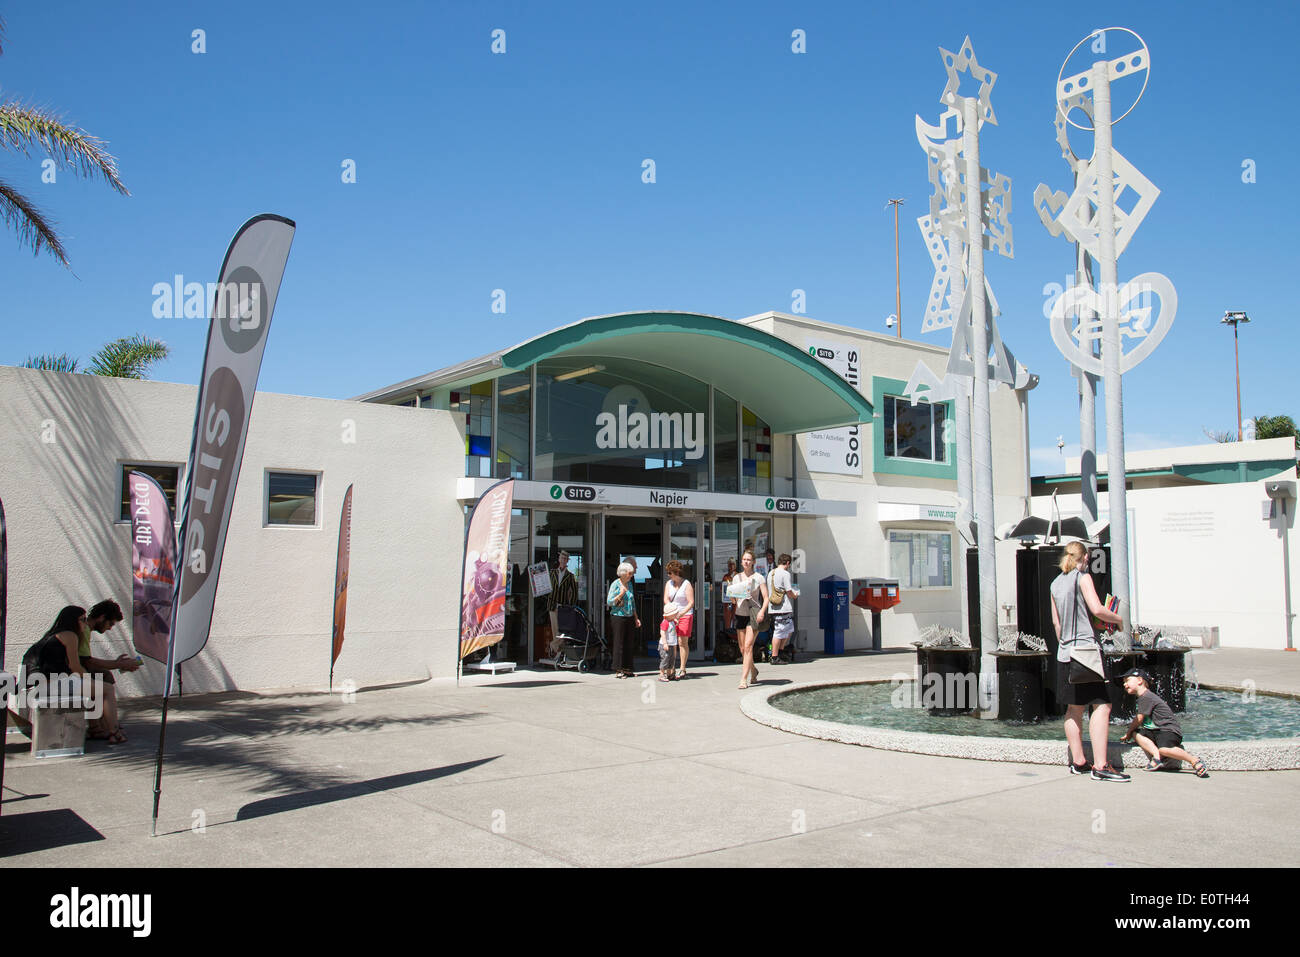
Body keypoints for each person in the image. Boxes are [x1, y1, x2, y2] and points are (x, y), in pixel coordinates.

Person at [1050, 541, 1127, 781]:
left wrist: (1065, 644)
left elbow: (1057, 624)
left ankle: (1079, 761)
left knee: (1073, 709)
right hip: (1086, 653)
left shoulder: (1055, 584)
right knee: (1102, 705)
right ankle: (1102, 766)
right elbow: (1097, 609)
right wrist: (1118, 619)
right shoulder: (1082, 578)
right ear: (1083, 559)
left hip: (1065, 653)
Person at [1120, 668, 1209, 777]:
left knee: (1164, 749)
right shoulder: (1143, 697)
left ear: (1139, 680)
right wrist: (1131, 732)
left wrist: (1128, 733)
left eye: (1127, 680)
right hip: (1156, 731)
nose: (1125, 684)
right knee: (1136, 733)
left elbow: (1139, 719)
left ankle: (1194, 761)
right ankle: (1156, 756)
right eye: (1124, 682)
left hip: (1168, 730)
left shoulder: (1146, 696)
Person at [80, 599, 141, 742]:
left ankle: (97, 727)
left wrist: (118, 664)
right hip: (64, 675)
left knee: (102, 675)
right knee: (103, 682)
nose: (110, 628)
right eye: (110, 624)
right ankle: (111, 730)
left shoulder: (85, 629)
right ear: (101, 617)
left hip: (69, 673)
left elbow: (86, 661)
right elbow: (88, 662)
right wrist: (118, 664)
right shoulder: (85, 630)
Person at [730, 549, 768, 689]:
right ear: (741, 561)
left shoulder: (758, 577)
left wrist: (762, 612)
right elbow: (734, 600)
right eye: (744, 559)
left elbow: (766, 598)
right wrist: (732, 595)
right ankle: (753, 670)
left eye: (749, 560)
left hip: (753, 613)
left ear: (753, 562)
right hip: (740, 614)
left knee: (748, 646)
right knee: (742, 649)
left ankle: (743, 679)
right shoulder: (736, 578)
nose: (746, 562)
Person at [607, 562, 641, 678]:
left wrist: (636, 618)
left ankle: (628, 668)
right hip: (618, 616)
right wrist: (620, 594)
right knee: (619, 643)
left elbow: (633, 602)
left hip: (629, 616)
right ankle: (618, 669)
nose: (631, 575)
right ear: (623, 573)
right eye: (629, 573)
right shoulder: (615, 584)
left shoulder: (630, 584)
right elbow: (609, 602)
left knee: (629, 643)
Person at [662, 559, 694, 679]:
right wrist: (671, 611)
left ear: (676, 572)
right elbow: (666, 599)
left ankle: (682, 668)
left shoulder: (686, 584)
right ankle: (671, 667)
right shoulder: (668, 584)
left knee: (682, 642)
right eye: (668, 573)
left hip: (685, 614)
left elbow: (691, 602)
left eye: (670, 573)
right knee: (672, 642)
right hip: (672, 615)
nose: (669, 575)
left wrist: (680, 613)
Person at [767, 553, 799, 664]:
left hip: (773, 607)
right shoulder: (785, 574)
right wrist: (795, 595)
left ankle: (780, 651)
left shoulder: (771, 573)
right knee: (779, 631)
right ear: (788, 563)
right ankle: (774, 657)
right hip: (782, 607)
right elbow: (789, 591)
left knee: (789, 629)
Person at [721, 558, 738, 634]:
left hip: (736, 601)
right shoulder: (725, 577)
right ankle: (728, 635)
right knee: (727, 620)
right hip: (727, 602)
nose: (731, 566)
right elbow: (722, 590)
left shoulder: (738, 576)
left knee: (735, 618)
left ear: (735, 565)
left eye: (733, 564)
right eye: (730, 564)